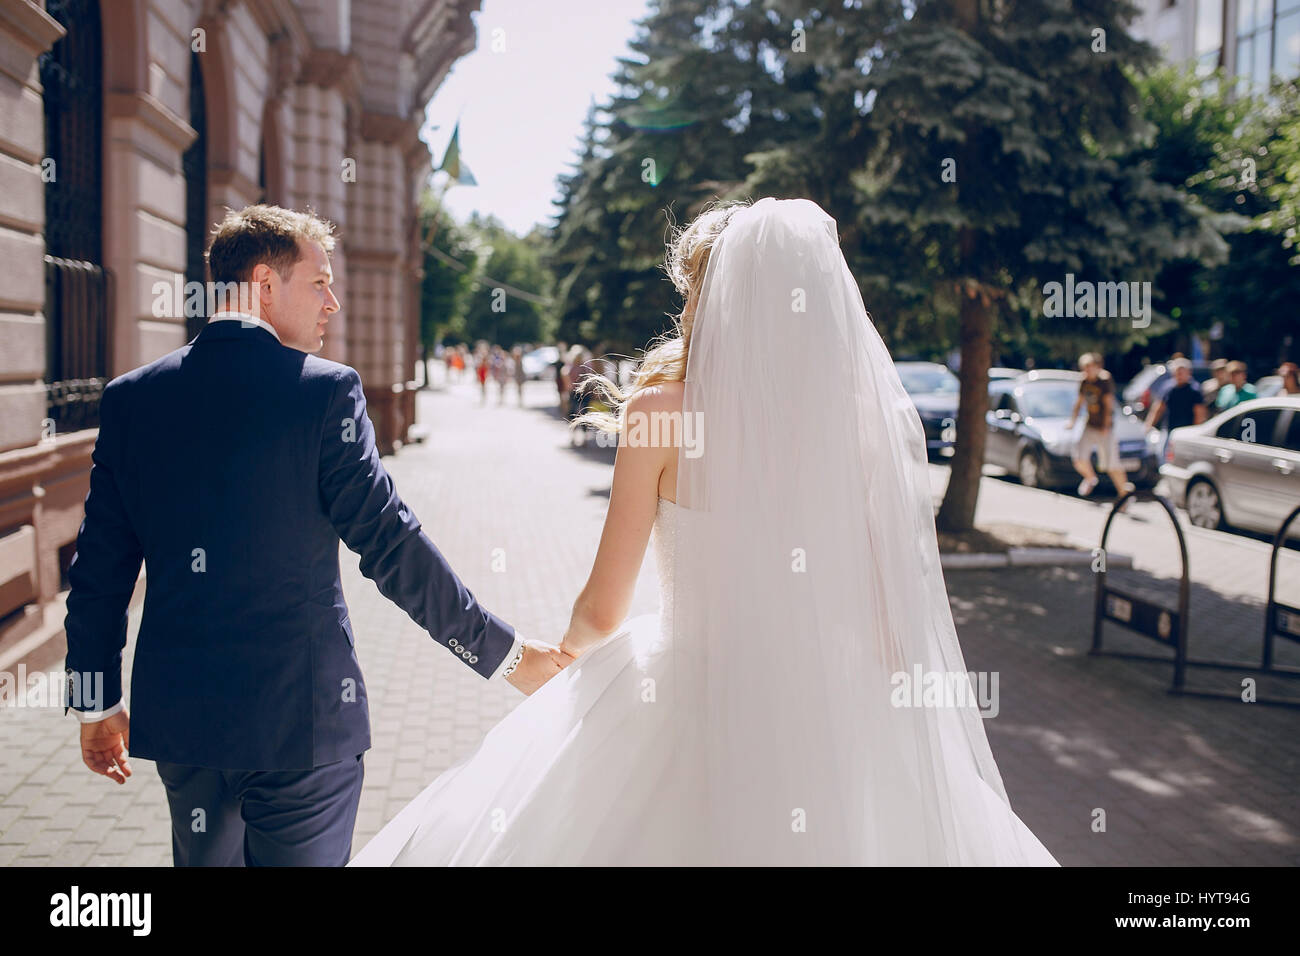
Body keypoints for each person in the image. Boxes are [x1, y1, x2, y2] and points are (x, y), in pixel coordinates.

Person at [349, 197, 1059, 866]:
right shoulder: (856, 428)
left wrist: (563, 669)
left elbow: (601, 611)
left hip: (679, 699)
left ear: (723, 301)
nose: (686, 308)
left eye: (693, 290)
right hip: (828, 713)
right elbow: (886, 626)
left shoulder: (661, 412)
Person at [62, 204, 564, 867]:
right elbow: (389, 543)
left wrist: (96, 702)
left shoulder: (133, 398)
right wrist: (504, 654)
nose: (333, 302)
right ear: (265, 285)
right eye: (319, 281)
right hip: (304, 725)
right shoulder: (323, 394)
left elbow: (100, 565)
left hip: (186, 726)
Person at [1068, 353, 1133, 498]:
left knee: (1111, 464)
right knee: (1079, 458)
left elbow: (1108, 405)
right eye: (1085, 368)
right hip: (1090, 424)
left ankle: (1125, 494)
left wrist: (1105, 426)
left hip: (1105, 427)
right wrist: (1072, 421)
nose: (1087, 371)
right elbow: (1078, 403)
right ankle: (1090, 478)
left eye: (1090, 367)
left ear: (1097, 367)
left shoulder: (1104, 380)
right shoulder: (1084, 381)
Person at [1144, 357, 1206, 460]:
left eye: (1181, 373)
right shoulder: (1168, 388)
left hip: (1186, 431)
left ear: (1188, 373)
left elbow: (1199, 413)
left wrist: (1196, 432)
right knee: (1163, 456)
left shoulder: (1194, 391)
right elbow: (1159, 407)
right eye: (1177, 373)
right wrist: (1149, 425)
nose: (1179, 376)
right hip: (1169, 429)